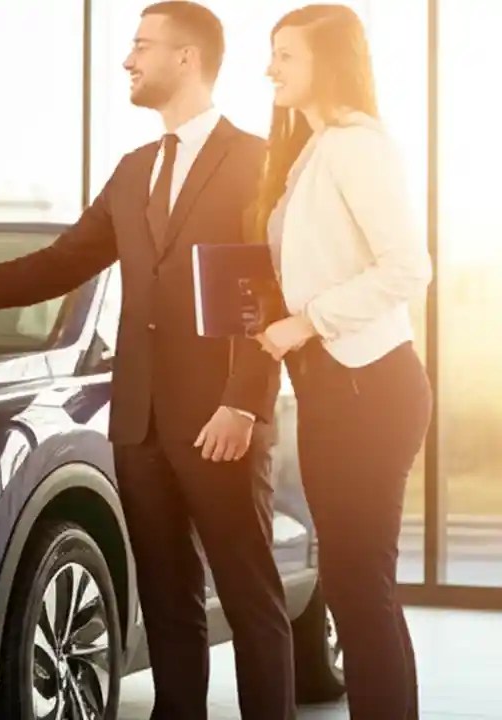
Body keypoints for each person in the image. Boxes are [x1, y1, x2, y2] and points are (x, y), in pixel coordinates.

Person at [0, 2, 294, 718]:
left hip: (221, 420)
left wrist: (244, 401)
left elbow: (273, 291)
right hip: (140, 425)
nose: (128, 60)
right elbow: (68, 259)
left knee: (250, 599)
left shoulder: (256, 163)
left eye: (141, 46)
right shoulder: (133, 171)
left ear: (187, 58)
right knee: (164, 600)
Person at [255, 6, 431, 719]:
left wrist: (306, 323)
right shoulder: (314, 148)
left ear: (326, 62)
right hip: (334, 389)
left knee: (362, 589)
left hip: (370, 387)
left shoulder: (358, 145)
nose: (270, 69)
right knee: (354, 588)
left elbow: (408, 268)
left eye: (285, 56)